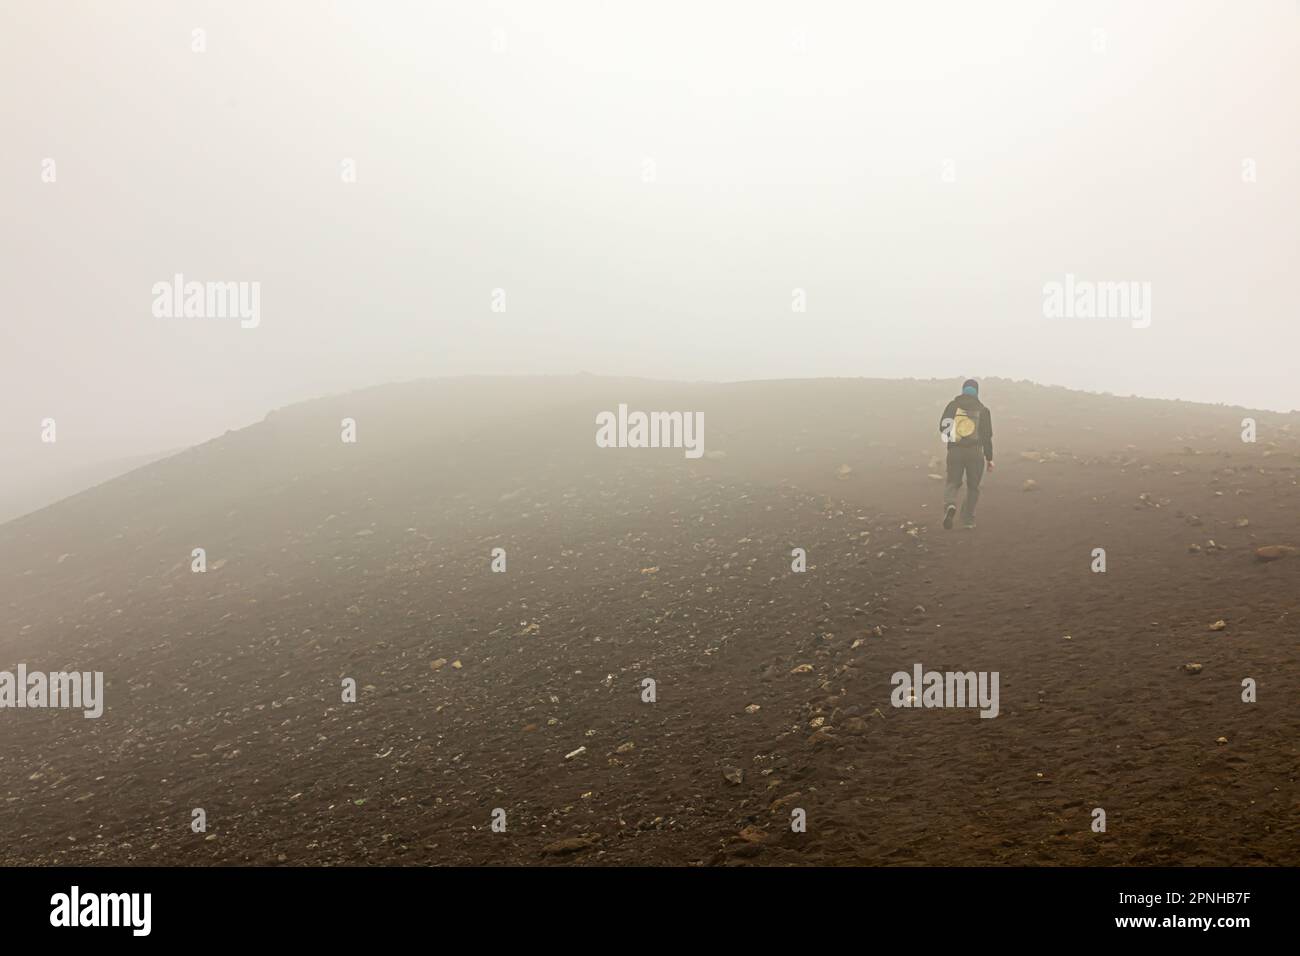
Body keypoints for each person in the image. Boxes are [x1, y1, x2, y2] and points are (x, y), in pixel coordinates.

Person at [938, 379, 994, 529]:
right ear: (977, 392)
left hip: (955, 451)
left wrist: (950, 441)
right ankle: (967, 519)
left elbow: (943, 427)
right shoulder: (983, 410)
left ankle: (950, 505)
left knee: (953, 482)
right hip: (975, 452)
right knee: (973, 487)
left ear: (963, 390)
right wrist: (989, 458)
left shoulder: (953, 406)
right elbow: (987, 436)